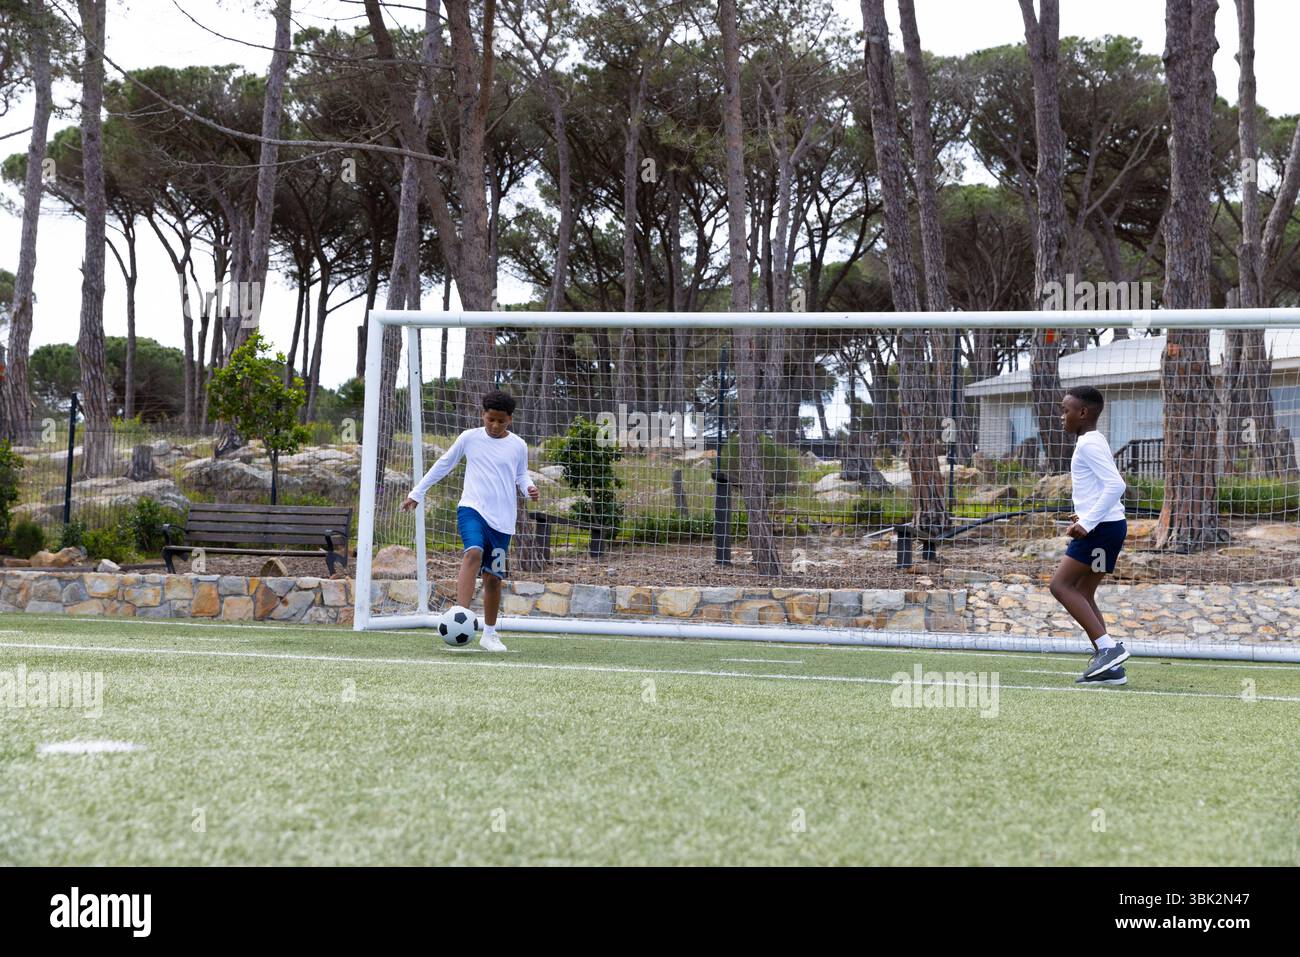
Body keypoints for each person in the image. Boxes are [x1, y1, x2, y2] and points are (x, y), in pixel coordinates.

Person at [402, 390, 539, 652]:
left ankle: (489, 633)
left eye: (500, 421)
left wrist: (529, 488)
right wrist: (417, 492)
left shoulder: (518, 445)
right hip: (472, 509)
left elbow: (521, 476)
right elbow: (444, 464)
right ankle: (460, 617)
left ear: (510, 419)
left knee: (493, 578)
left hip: (502, 522)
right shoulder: (469, 438)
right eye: (490, 420)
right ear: (483, 416)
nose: (495, 426)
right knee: (473, 552)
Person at [1049, 386, 1130, 686]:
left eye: (1065, 410)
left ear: (1082, 413)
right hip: (1109, 527)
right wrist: (1085, 514)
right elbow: (1102, 489)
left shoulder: (1088, 444)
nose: (1062, 417)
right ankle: (1111, 669)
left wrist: (1088, 522)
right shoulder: (1093, 441)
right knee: (1082, 592)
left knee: (1060, 585)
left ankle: (1108, 649)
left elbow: (1115, 485)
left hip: (1101, 530)